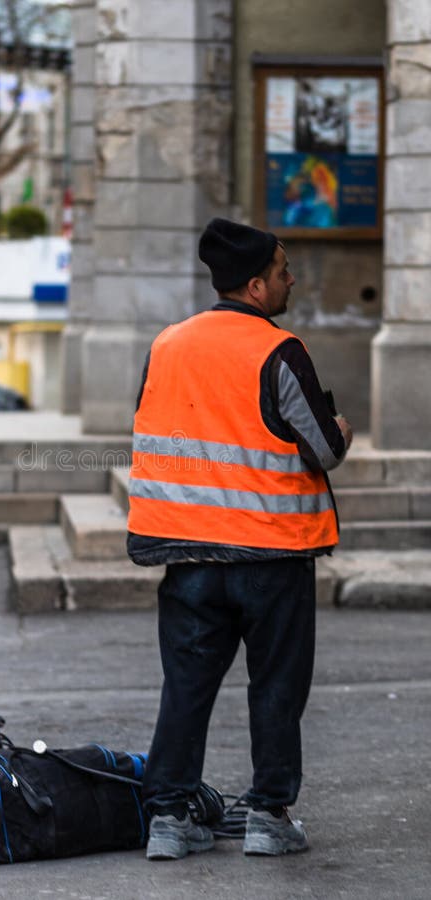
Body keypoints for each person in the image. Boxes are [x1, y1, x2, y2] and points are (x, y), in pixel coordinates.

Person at [127, 218, 353, 860]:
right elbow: (324, 449)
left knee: (187, 686)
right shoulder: (279, 350)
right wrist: (341, 426)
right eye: (283, 272)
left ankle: (168, 820)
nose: (291, 280)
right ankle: (268, 815)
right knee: (277, 686)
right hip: (269, 553)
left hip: (184, 551)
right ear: (256, 286)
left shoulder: (167, 343)